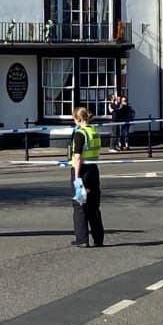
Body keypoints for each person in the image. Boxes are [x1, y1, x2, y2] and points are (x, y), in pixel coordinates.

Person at [69, 106, 104, 248]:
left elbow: (77, 158)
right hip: (94, 170)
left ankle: (82, 239)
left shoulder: (80, 134)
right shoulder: (94, 131)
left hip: (82, 172)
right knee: (94, 205)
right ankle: (98, 239)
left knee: (80, 205)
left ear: (78, 119)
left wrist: (76, 178)